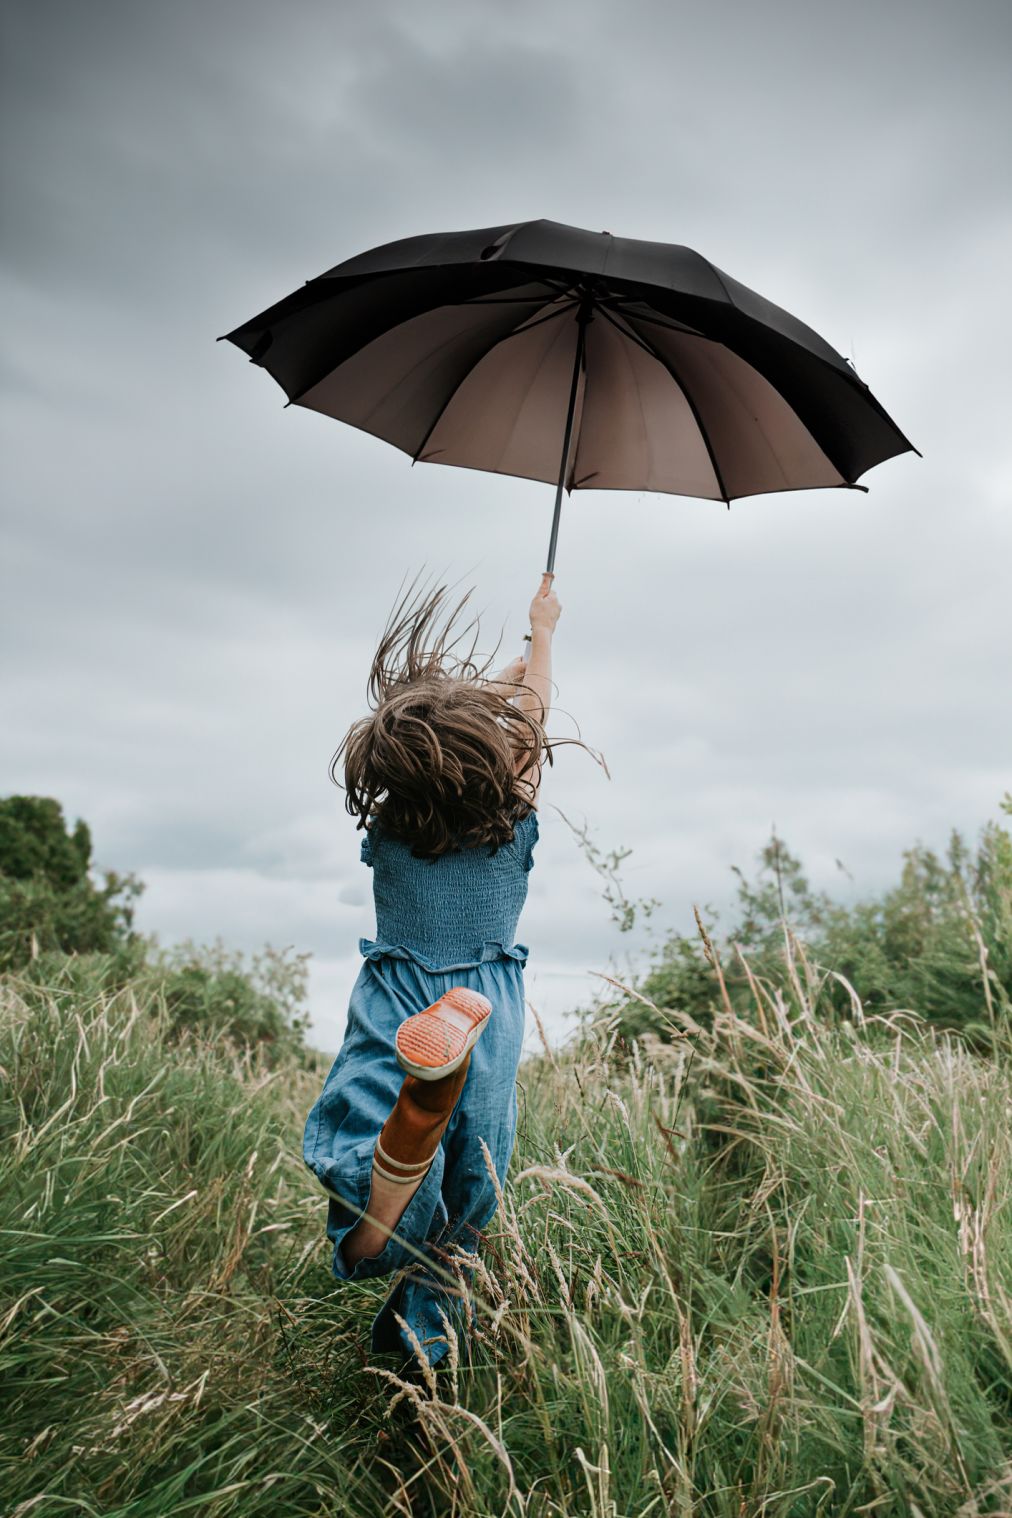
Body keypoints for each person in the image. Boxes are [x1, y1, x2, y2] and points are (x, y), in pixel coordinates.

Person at [303, 571, 568, 1368]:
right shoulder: (508, 824)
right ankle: (424, 1343)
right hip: (482, 1005)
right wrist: (544, 636)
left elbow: (440, 738)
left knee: (365, 1112)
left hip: (393, 993)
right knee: (476, 1170)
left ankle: (371, 1229)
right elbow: (528, 737)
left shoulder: (392, 824)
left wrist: (500, 681)